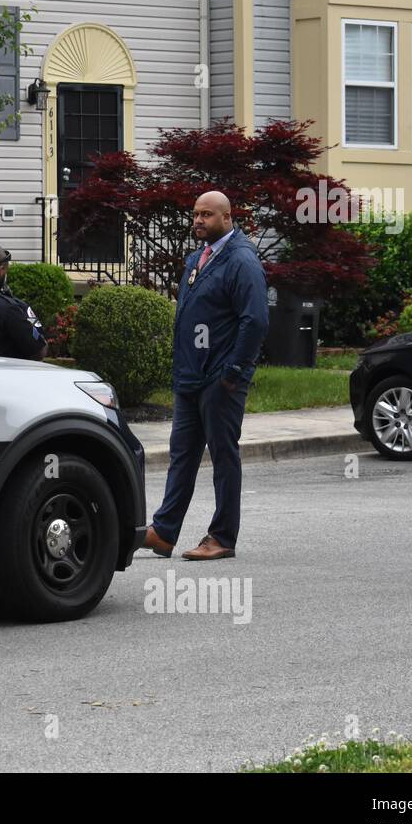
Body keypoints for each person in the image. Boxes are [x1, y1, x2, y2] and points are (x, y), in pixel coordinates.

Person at [143, 191, 268, 560]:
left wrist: (233, 371)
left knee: (223, 456)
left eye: (207, 215)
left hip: (220, 378)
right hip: (190, 376)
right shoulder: (199, 258)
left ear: (227, 218)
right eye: (195, 215)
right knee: (182, 455)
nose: (198, 221)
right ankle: (164, 532)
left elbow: (256, 320)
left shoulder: (241, 260)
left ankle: (222, 537)